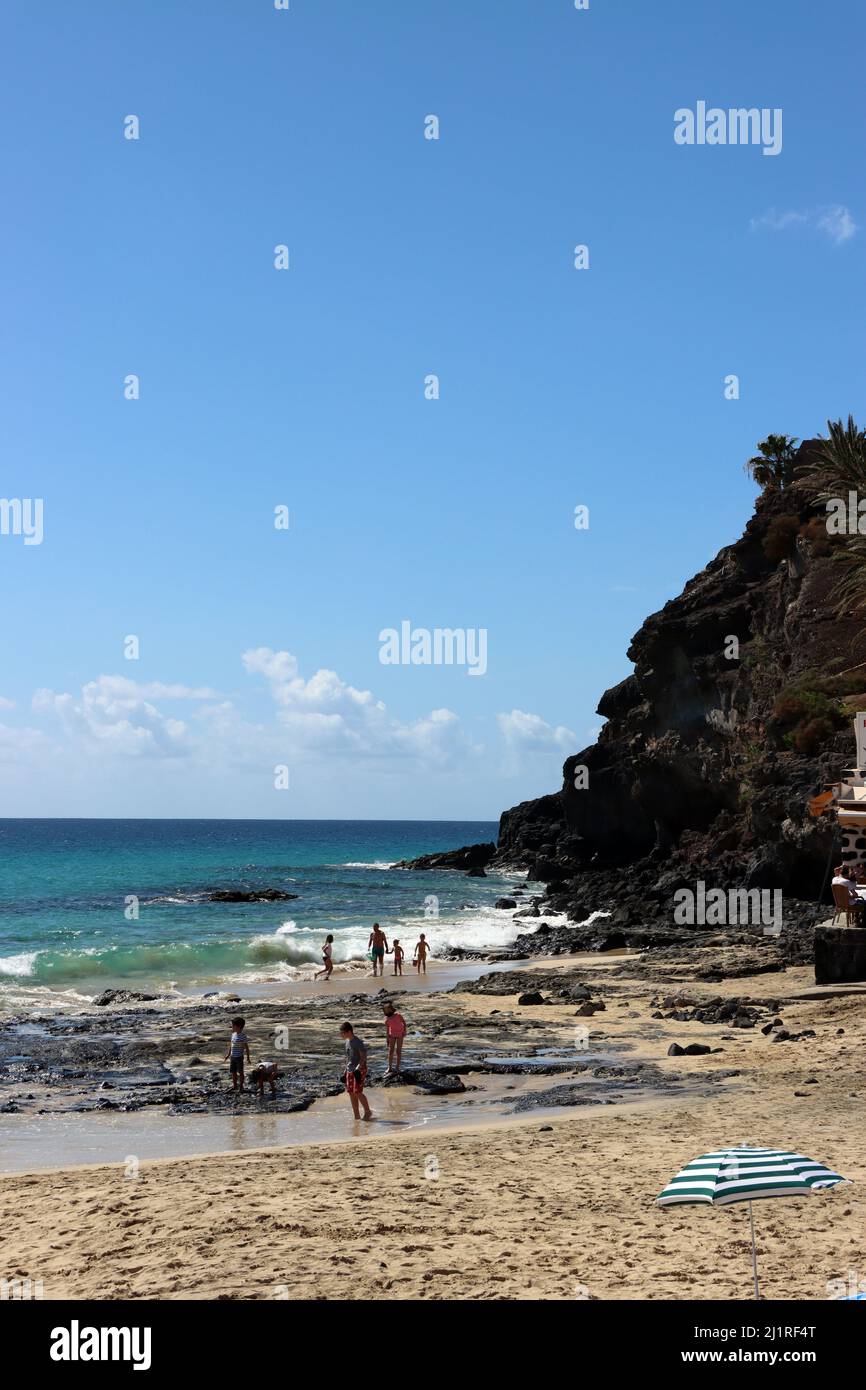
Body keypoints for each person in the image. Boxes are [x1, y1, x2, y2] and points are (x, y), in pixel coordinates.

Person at [340, 1021, 372, 1120]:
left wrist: (358, 1069)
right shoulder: (347, 1042)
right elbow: (349, 1058)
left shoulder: (358, 1042)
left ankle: (368, 1112)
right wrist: (345, 1071)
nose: (341, 1035)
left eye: (342, 1032)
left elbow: (363, 1056)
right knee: (351, 1093)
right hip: (350, 1070)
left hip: (359, 1070)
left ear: (349, 1032)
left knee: (358, 1092)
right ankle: (356, 1116)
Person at [225, 1016, 251, 1092]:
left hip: (239, 1057)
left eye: (233, 1026)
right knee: (233, 1072)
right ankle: (235, 1086)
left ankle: (241, 1087)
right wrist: (228, 1054)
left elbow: (246, 1048)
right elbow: (231, 1044)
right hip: (233, 1056)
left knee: (241, 1072)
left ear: (239, 1026)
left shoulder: (243, 1036)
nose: (232, 1027)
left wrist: (248, 1058)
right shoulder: (233, 1034)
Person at [382, 1001, 406, 1075]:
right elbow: (387, 1030)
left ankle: (397, 1067)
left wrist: (404, 1030)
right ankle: (389, 1067)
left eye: (388, 1009)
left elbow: (404, 1022)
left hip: (400, 1035)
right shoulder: (386, 1020)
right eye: (385, 1010)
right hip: (391, 1035)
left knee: (398, 1051)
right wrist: (387, 1039)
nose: (387, 1011)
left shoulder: (398, 1015)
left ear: (391, 1009)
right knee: (391, 1051)